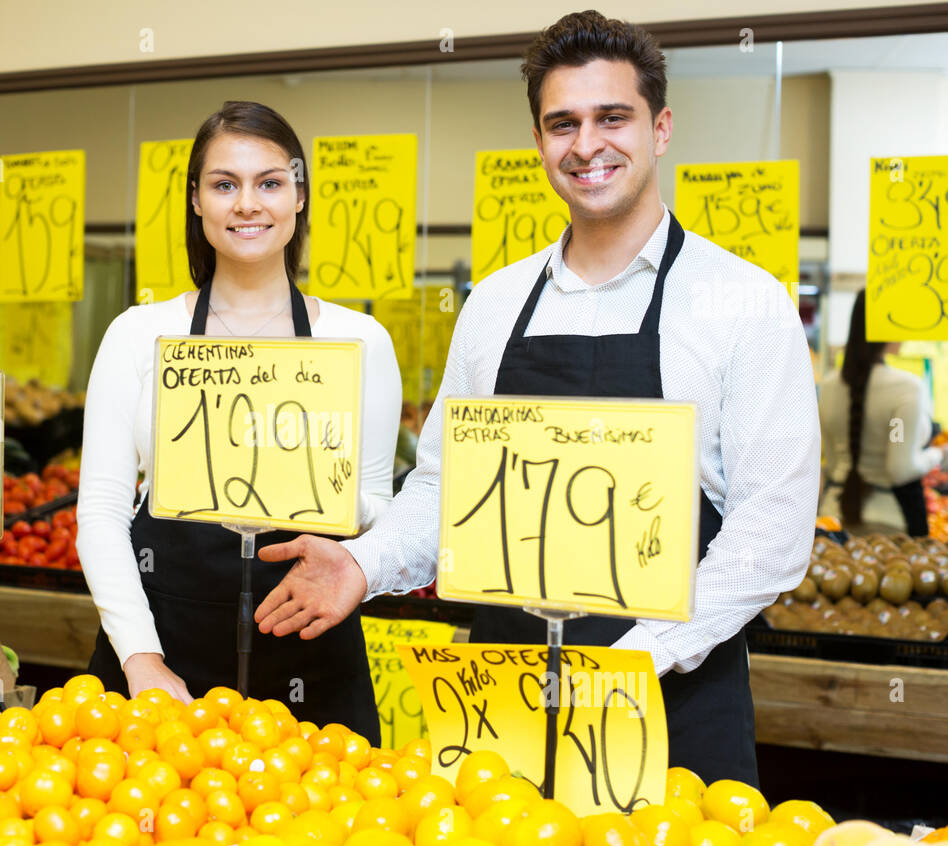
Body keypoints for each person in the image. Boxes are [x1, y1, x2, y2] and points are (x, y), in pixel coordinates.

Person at [254, 11, 820, 787]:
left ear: (659, 128)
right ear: (540, 144)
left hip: (673, 704)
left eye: (611, 117)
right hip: (500, 704)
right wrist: (365, 561)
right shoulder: (494, 304)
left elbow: (772, 529)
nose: (586, 145)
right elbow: (447, 487)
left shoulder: (742, 302)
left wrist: (631, 662)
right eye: (562, 124)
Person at [77, 101, 401, 741]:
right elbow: (102, 511)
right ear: (197, 200)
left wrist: (309, 492)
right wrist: (140, 657)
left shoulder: (359, 338)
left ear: (298, 196)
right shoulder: (139, 335)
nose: (247, 204)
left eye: (269, 183)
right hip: (165, 646)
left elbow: (378, 509)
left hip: (309, 638)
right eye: (224, 184)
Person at [819, 290, 943, 536]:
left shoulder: (829, 386)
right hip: (888, 524)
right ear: (887, 327)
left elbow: (831, 462)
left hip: (833, 518)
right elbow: (900, 468)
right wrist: (936, 454)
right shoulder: (906, 389)